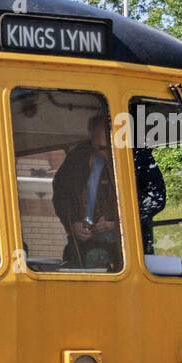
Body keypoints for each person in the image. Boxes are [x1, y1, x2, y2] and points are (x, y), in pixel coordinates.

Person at [52, 112, 121, 269]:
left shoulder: (136, 160)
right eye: (96, 146)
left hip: (123, 249)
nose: (101, 152)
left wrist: (116, 222)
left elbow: (152, 200)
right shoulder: (77, 158)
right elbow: (61, 194)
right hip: (82, 246)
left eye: (105, 147)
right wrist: (74, 222)